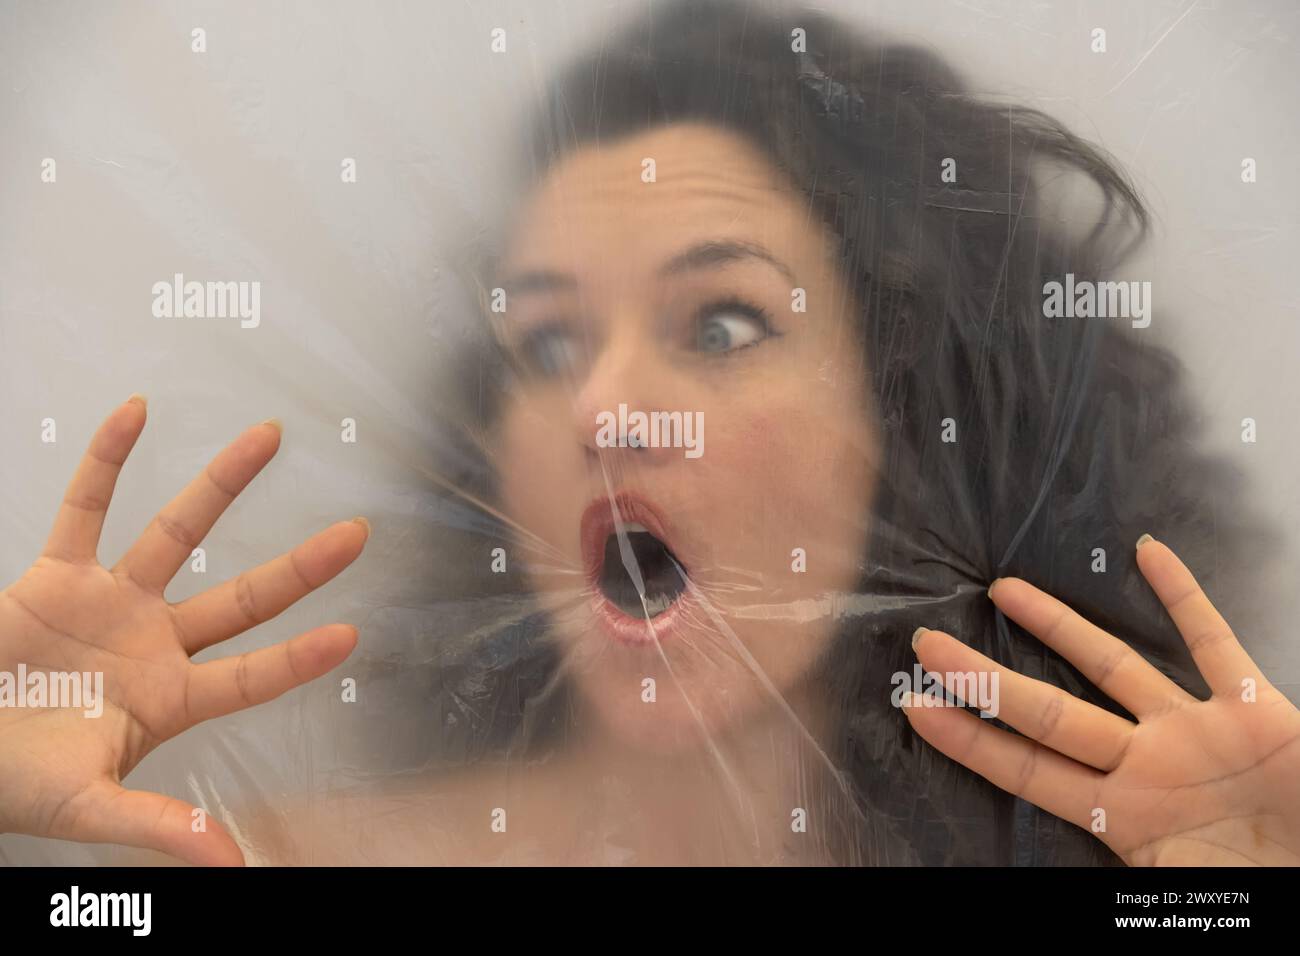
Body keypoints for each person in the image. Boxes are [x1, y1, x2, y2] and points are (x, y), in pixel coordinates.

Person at [2, 0, 1297, 866]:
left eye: (720, 325)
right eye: (549, 344)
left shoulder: (1148, 864)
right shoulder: (270, 857)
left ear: (907, 417)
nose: (603, 413)